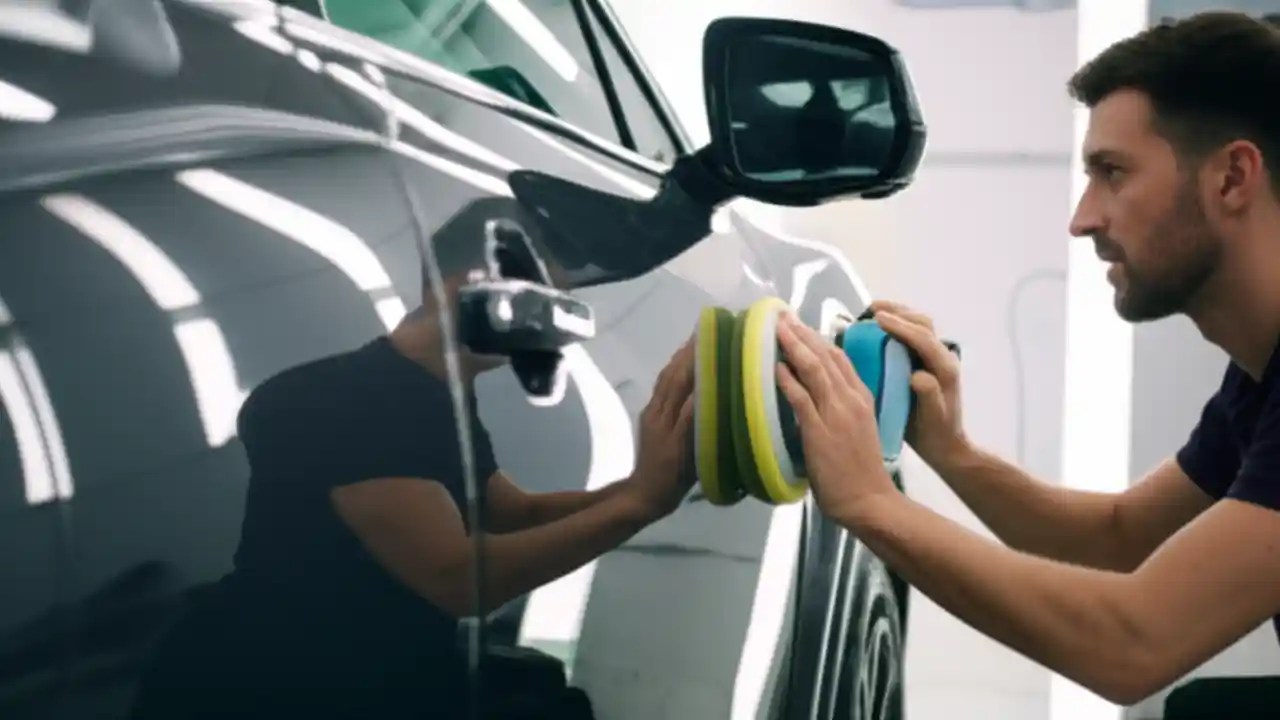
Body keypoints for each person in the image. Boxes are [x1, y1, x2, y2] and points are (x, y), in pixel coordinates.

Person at [773, 10, 1280, 715]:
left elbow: (1135, 642)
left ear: (1232, 178)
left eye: (1112, 173)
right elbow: (1121, 538)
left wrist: (869, 504)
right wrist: (954, 454)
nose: (1082, 217)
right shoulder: (1257, 382)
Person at [128, 204, 697, 720]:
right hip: (279, 691)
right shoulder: (350, 401)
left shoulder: (437, 395)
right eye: (540, 302)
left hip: (368, 671)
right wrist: (637, 506)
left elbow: (509, 511)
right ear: (469, 289)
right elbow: (460, 580)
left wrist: (655, 484)